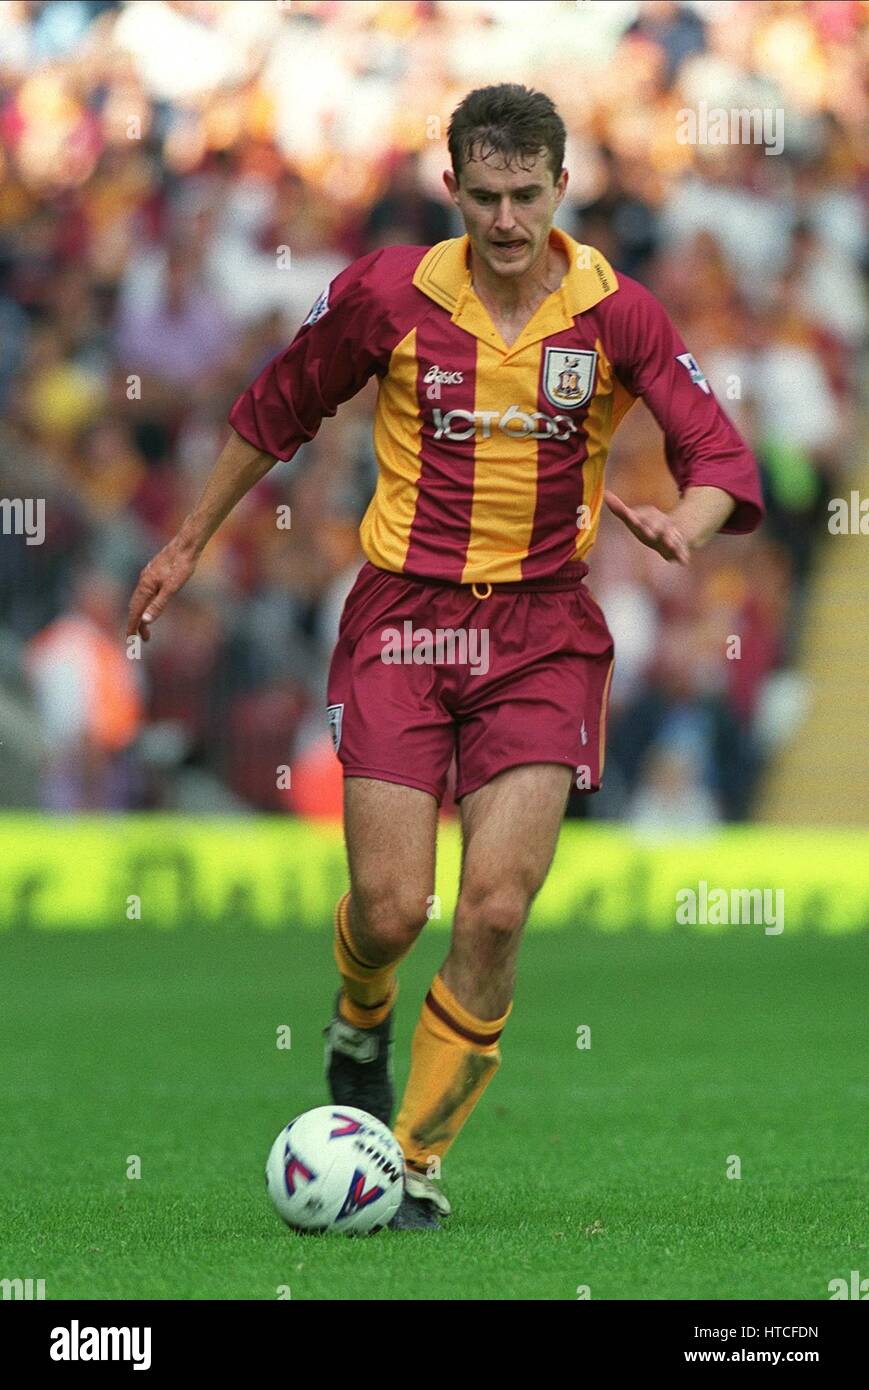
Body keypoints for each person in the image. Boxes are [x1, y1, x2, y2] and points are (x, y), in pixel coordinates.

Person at [127, 83, 764, 1230]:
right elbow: (276, 406)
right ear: (452, 189)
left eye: (528, 195)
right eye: (485, 195)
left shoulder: (616, 313)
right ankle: (358, 1011)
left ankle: (410, 1160)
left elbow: (716, 454)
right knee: (390, 903)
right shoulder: (386, 293)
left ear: (562, 188)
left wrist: (690, 523)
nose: (508, 218)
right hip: (404, 621)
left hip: (540, 633)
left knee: (495, 911)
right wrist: (184, 542)